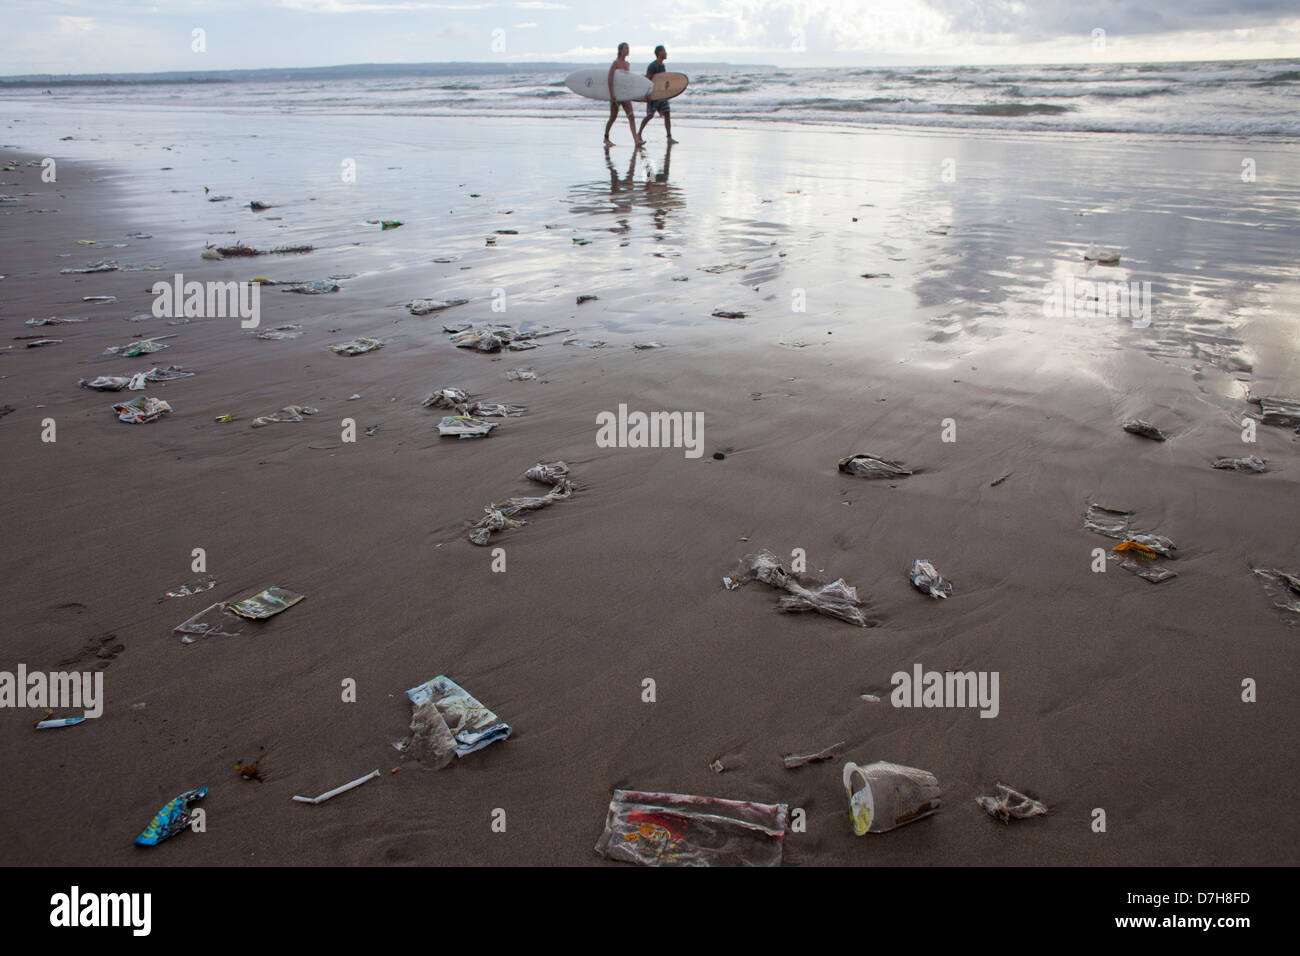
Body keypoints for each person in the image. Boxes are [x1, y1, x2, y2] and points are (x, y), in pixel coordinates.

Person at [604, 43, 645, 148]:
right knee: (613, 117)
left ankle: (636, 140)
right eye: (626, 48)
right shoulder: (615, 63)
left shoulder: (627, 64)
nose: (628, 50)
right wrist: (612, 94)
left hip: (625, 95)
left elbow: (628, 81)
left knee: (631, 117)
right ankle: (606, 137)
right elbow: (610, 79)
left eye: (628, 48)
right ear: (620, 50)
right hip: (616, 95)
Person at [638, 46, 678, 144]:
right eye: (664, 51)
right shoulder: (653, 66)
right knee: (650, 116)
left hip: (662, 96)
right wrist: (647, 94)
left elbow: (662, 81)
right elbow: (647, 80)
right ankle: (638, 134)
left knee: (667, 114)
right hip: (653, 96)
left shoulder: (662, 66)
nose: (666, 53)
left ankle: (669, 137)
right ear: (659, 53)